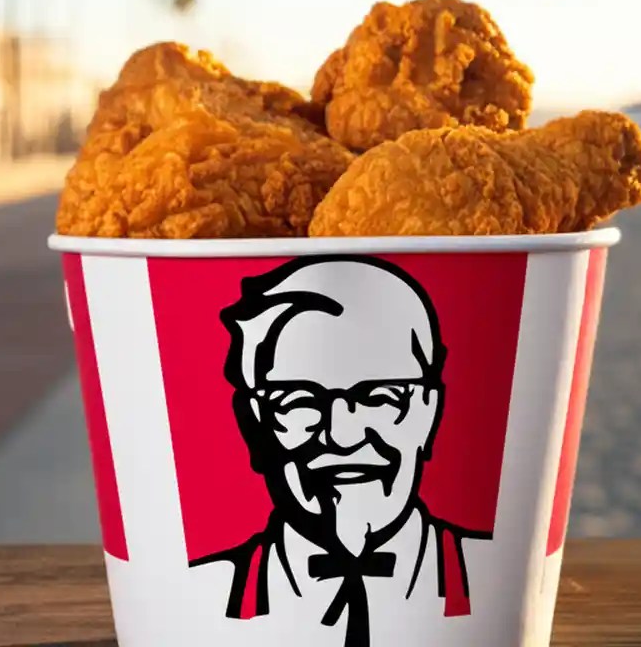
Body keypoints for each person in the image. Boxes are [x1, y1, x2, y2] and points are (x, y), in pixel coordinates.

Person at [191, 256, 477, 647]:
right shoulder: (194, 592)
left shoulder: (499, 572)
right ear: (255, 426)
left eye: (380, 397)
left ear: (429, 413)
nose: (342, 436)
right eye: (298, 401)